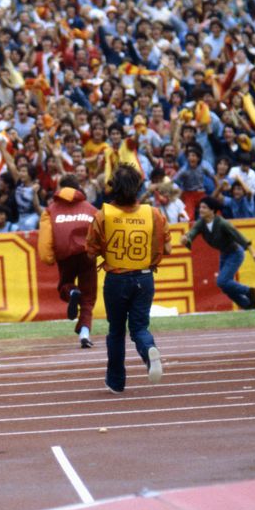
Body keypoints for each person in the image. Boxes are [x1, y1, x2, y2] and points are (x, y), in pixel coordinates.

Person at [86, 164, 172, 394]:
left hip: (116, 279)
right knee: (140, 328)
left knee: (116, 331)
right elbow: (169, 248)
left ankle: (116, 381)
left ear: (113, 187)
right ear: (138, 187)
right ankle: (148, 349)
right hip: (144, 278)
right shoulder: (153, 214)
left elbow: (91, 251)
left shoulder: (103, 215)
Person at [39, 175, 99, 348]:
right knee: (88, 298)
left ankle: (72, 292)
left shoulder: (51, 209)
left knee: (64, 285)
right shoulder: (90, 208)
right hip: (87, 254)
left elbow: (45, 236)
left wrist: (48, 257)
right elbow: (100, 230)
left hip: (65, 255)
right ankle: (84, 333)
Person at [180, 197, 255, 311]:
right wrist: (186, 239)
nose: (200, 210)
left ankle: (249, 291)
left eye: (204, 207)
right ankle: (246, 305)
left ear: (212, 210)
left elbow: (238, 236)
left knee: (222, 281)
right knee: (224, 286)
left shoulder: (222, 223)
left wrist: (253, 252)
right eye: (200, 207)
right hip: (224, 253)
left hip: (235, 253)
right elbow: (191, 233)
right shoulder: (201, 223)